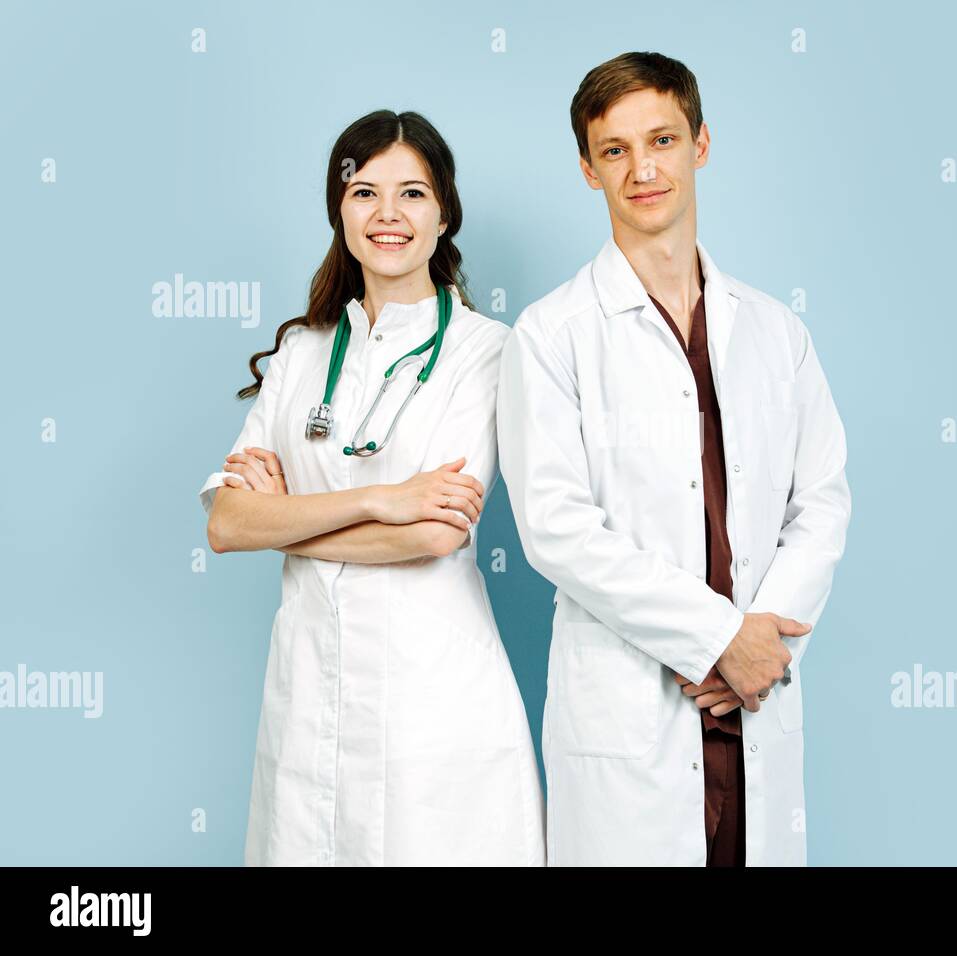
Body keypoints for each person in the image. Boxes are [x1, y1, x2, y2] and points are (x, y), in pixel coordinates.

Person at [496, 52, 851, 866]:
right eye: (614, 149)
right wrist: (718, 639)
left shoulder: (775, 330)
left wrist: (762, 648)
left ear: (702, 145)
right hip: (634, 715)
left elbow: (822, 501)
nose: (642, 167)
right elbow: (555, 527)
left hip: (753, 702)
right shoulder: (552, 336)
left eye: (661, 138)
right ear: (588, 170)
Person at [199, 110, 544, 866]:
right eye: (364, 194)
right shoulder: (301, 353)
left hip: (436, 715)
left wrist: (283, 519)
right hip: (307, 706)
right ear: (339, 209)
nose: (388, 215)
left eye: (413, 194)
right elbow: (225, 522)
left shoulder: (487, 353)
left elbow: (433, 534)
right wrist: (378, 498)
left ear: (444, 212)